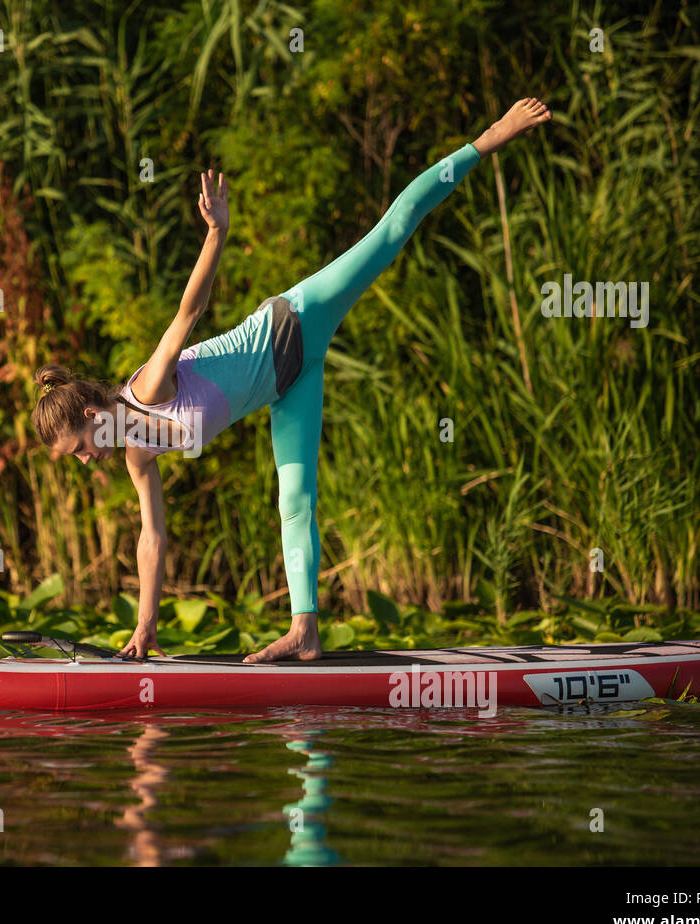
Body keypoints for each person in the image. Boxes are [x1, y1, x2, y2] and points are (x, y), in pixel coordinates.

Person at [31, 98, 553, 661]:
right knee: (295, 501)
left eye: (79, 449)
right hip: (291, 384)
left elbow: (189, 310)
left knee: (391, 232)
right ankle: (305, 631)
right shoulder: (136, 455)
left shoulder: (148, 390)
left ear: (92, 417)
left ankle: (490, 137)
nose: (86, 461)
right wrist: (146, 625)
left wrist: (216, 235)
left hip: (294, 322)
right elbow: (151, 540)